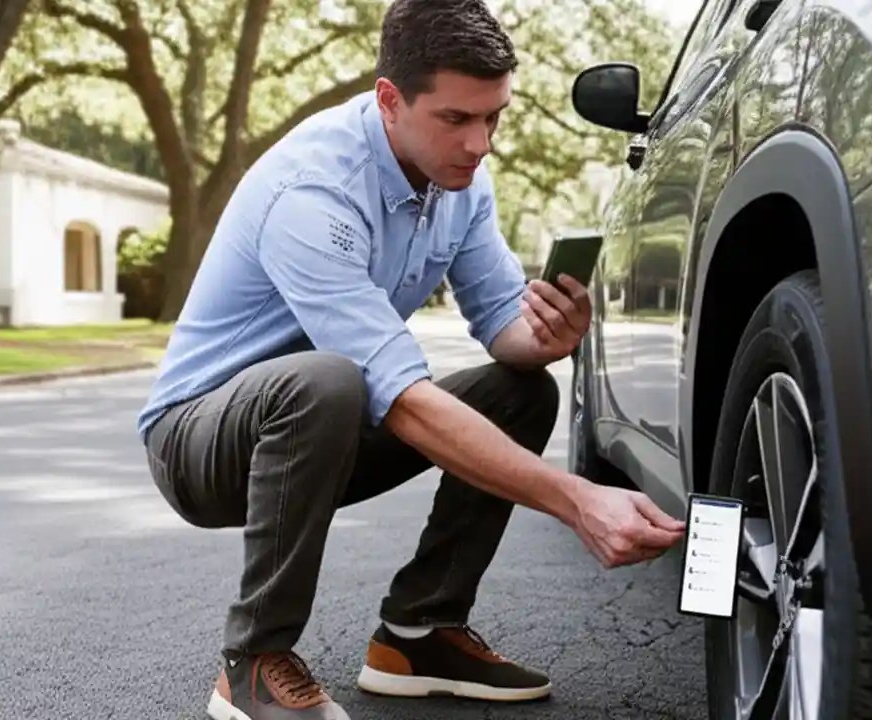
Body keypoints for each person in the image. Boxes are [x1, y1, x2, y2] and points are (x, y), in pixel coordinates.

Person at [136, 0, 686, 718]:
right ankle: (252, 663)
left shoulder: (462, 182)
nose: (480, 142)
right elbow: (397, 394)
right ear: (389, 100)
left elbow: (500, 328)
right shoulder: (313, 190)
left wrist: (547, 339)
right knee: (329, 380)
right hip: (201, 445)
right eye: (457, 119)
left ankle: (418, 634)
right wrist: (576, 500)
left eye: (494, 118)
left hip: (322, 430)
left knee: (522, 390)